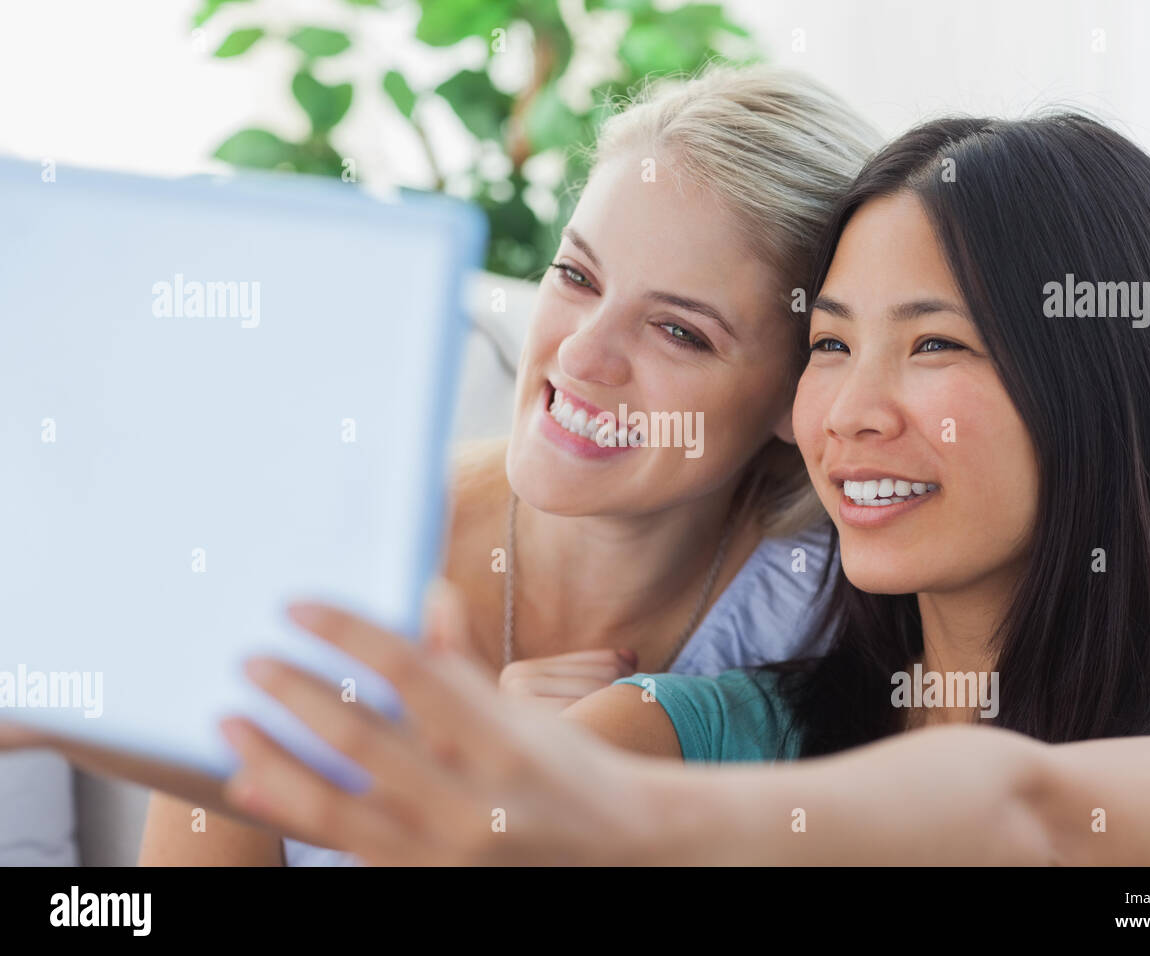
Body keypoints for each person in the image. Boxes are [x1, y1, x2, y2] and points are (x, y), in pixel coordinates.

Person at [213, 114, 1150, 864]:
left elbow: (1033, 818)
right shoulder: (713, 724)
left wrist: (613, 816)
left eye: (932, 345)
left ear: (1099, 389)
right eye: (829, 345)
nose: (853, 410)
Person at [126, 64, 880, 864]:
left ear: (801, 388)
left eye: (680, 332)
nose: (582, 355)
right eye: (577, 276)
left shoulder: (840, 608)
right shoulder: (314, 558)